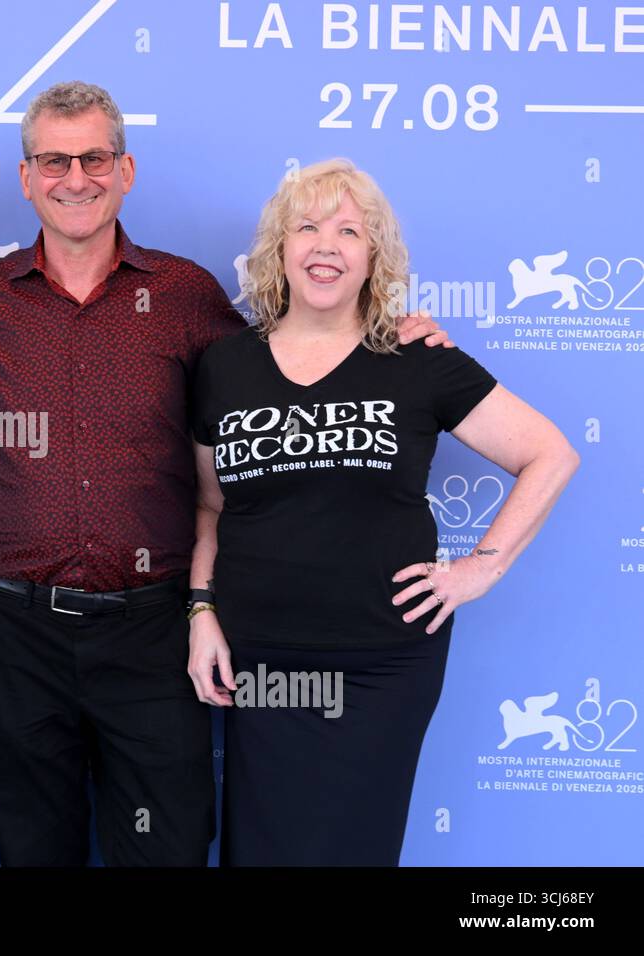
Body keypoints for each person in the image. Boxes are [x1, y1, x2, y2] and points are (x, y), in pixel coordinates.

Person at [0, 82, 448, 866]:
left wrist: (389, 332)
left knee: (167, 848)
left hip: (152, 633)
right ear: (26, 176)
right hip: (15, 642)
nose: (76, 177)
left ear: (126, 169)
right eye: (54, 160)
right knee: (37, 850)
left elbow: (285, 366)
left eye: (94, 158)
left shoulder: (185, 296)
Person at [188, 158, 580, 866]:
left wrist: (477, 572)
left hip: (381, 661)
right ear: (280, 248)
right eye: (307, 227)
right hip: (262, 658)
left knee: (354, 847)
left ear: (375, 255)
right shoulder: (224, 366)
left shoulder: (416, 357)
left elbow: (550, 454)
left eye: (349, 230)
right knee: (261, 847)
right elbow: (212, 506)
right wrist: (201, 612)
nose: (326, 245)